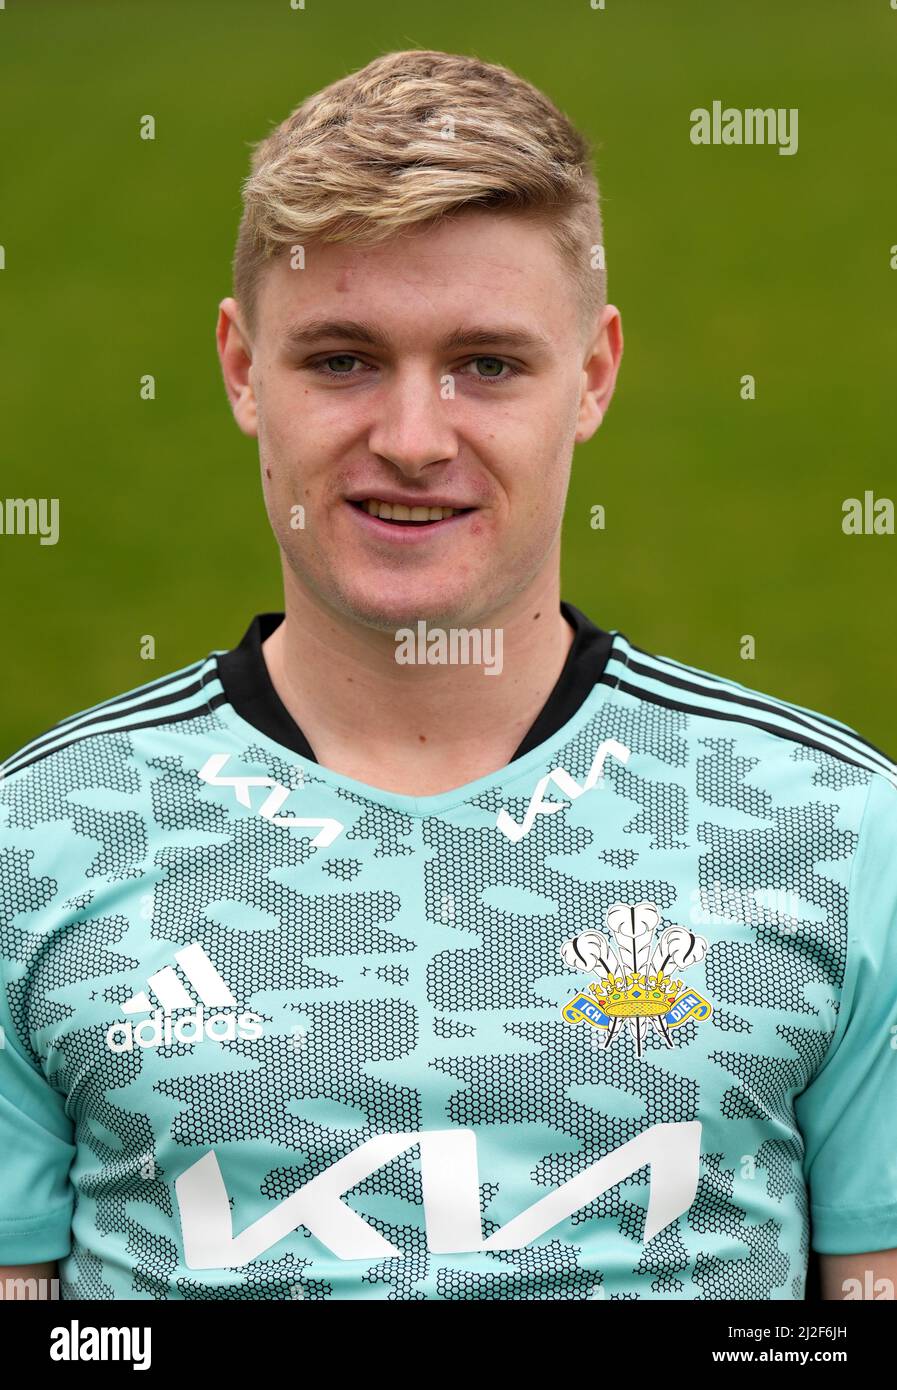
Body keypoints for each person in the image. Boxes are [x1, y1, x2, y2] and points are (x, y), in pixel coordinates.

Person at [1, 48, 895, 1303]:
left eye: (487, 364)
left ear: (592, 374)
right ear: (243, 368)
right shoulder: (34, 845)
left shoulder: (836, 831)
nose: (414, 442)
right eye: (342, 360)